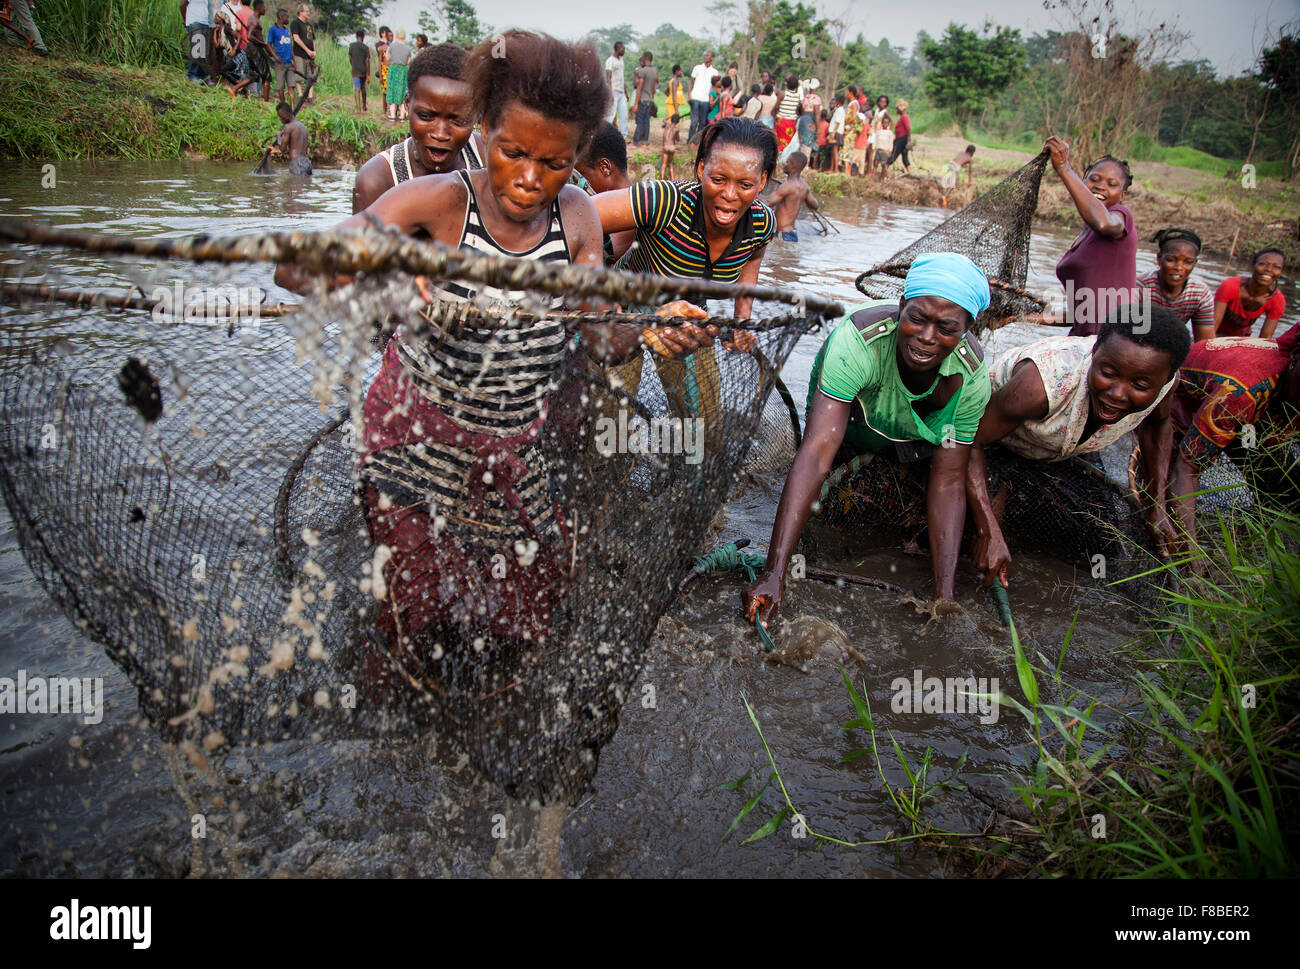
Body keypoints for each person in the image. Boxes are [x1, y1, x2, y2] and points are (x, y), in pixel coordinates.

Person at [277, 31, 715, 671]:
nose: (531, 179)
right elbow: (294, 270)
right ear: (484, 133)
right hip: (413, 436)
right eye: (512, 153)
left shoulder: (579, 219)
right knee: (412, 614)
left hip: (512, 446)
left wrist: (654, 326)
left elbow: (597, 335)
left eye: (556, 163)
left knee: (530, 617)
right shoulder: (438, 203)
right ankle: (377, 719)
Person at [744, 252, 994, 620]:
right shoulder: (858, 343)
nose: (926, 337)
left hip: (912, 436)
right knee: (833, 510)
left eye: (946, 328)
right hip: (855, 424)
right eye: (917, 318)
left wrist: (944, 597)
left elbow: (950, 478)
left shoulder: (972, 378)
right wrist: (773, 574)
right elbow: (816, 454)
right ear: (902, 305)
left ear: (968, 328)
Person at [966, 305, 1191, 587]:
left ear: (1165, 379)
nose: (1117, 394)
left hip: (1061, 450)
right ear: (1095, 352)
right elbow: (967, 441)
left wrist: (1156, 507)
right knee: (974, 542)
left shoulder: (1166, 384)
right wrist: (988, 529)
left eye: (1140, 385)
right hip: (993, 441)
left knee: (1101, 546)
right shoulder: (1040, 384)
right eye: (1108, 373)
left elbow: (1158, 428)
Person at [593, 117, 777, 444]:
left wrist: (742, 319)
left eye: (745, 185)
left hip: (689, 313)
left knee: (704, 428)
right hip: (627, 308)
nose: (730, 196)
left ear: (762, 181)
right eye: (718, 179)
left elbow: (754, 256)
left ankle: (688, 482)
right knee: (611, 426)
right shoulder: (664, 201)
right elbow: (576, 218)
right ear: (701, 168)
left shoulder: (762, 223)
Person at [1158, 323, 1300, 555]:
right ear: (1294, 358)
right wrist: (1191, 552)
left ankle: (1266, 540)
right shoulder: (1242, 393)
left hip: (1255, 413)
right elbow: (1188, 468)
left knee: (1282, 485)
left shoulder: (1289, 386)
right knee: (1164, 493)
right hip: (1181, 404)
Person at [352, 43, 486, 213]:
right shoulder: (377, 180)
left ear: (475, 115)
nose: (440, 134)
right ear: (407, 104)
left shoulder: (486, 159)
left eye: (457, 121)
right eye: (426, 116)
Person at [1044, 137, 1138, 337]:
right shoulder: (1087, 235)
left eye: (1112, 184)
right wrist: (1023, 317)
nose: (1100, 186)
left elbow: (1103, 222)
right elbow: (1082, 313)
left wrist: (1064, 169)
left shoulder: (1121, 218)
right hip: (1085, 337)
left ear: (1123, 195)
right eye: (1094, 179)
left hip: (1115, 340)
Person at [576, 123, 635, 265]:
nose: (576, 184)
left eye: (581, 175)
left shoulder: (628, 215)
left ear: (605, 168)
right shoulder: (633, 199)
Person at [1139, 228, 1215, 340]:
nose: (1179, 268)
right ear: (1159, 258)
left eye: (1188, 262)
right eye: (1171, 260)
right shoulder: (1141, 287)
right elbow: (1130, 335)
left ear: (1195, 263)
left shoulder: (1200, 294)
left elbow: (1205, 343)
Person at [1213, 248, 1287, 339]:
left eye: (1276, 267)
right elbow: (1213, 325)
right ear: (1253, 266)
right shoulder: (1230, 286)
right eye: (1262, 264)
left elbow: (1266, 337)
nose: (1268, 269)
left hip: (1242, 338)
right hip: (1217, 333)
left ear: (1281, 272)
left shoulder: (1277, 299)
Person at [767, 153, 818, 242]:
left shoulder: (787, 186)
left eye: (787, 162)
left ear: (793, 166)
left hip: (781, 234)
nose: (784, 164)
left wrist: (755, 194)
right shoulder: (804, 186)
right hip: (792, 234)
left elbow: (768, 202)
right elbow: (815, 205)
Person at [268, 101, 311, 175]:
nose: (280, 119)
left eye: (281, 116)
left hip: (297, 164)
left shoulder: (288, 127)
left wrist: (278, 136)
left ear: (287, 115)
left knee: (295, 184)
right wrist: (276, 150)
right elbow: (297, 148)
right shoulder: (303, 127)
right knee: (304, 183)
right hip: (307, 163)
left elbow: (282, 149)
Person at [246, 1, 275, 101]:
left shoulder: (255, 19)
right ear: (258, 7)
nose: (265, 9)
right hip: (255, 49)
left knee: (254, 74)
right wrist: (263, 45)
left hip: (253, 49)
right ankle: (266, 102)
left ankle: (236, 89)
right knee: (266, 77)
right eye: (264, 7)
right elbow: (249, 36)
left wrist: (270, 52)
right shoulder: (255, 20)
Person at [688, 51, 719, 143]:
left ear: (712, 58)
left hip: (706, 100)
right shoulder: (697, 68)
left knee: (702, 123)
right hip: (695, 98)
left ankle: (697, 142)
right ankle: (690, 141)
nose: (705, 57)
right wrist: (689, 95)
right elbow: (691, 82)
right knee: (694, 122)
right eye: (705, 55)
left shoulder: (714, 72)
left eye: (707, 55)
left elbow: (715, 86)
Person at [631, 50, 658, 147]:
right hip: (650, 100)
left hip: (642, 99)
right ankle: (644, 141)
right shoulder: (655, 70)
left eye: (642, 57)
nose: (641, 59)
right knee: (646, 121)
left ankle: (635, 141)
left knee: (640, 121)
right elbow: (654, 87)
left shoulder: (643, 71)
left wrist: (636, 103)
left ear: (646, 58)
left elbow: (639, 88)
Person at [290, 2, 316, 101]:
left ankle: (310, 95)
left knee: (311, 75)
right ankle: (300, 94)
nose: (308, 13)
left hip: (310, 56)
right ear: (300, 12)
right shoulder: (295, 23)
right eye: (306, 11)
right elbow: (296, 38)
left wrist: (314, 51)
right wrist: (307, 50)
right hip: (299, 54)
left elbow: (313, 39)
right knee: (299, 74)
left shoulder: (309, 25)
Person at [267, 7, 293, 101]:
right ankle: (283, 105)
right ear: (281, 17)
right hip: (280, 63)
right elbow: (268, 44)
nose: (288, 19)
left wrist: (293, 60)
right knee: (280, 87)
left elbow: (290, 46)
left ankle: (291, 106)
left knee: (291, 85)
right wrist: (275, 56)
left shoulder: (287, 30)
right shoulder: (273, 29)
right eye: (287, 17)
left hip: (289, 62)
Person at [182, 1, 212, 82]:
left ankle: (204, 76)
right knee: (197, 48)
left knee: (205, 51)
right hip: (194, 20)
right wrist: (185, 18)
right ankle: (191, 75)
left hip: (206, 21)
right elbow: (182, 5)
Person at [386, 29, 412, 122]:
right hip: (403, 70)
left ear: (396, 36)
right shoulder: (408, 48)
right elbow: (409, 61)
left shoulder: (392, 46)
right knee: (402, 92)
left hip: (394, 69)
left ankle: (392, 115)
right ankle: (402, 116)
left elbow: (387, 58)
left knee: (392, 91)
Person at [605, 41, 628, 139]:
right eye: (622, 48)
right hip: (613, 91)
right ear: (617, 49)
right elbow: (608, 78)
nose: (624, 50)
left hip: (621, 92)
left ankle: (624, 137)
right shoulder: (610, 60)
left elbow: (622, 77)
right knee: (611, 115)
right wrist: (610, 93)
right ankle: (606, 135)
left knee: (624, 115)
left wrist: (626, 92)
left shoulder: (621, 60)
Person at [774, 74, 801, 154]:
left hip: (781, 121)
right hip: (791, 122)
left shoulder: (782, 94)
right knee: (788, 141)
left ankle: (778, 156)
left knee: (779, 140)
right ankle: (785, 157)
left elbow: (776, 107)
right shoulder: (798, 96)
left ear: (787, 84)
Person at [348, 28, 370, 113]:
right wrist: (368, 74)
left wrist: (353, 64)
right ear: (363, 37)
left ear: (356, 37)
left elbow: (350, 58)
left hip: (355, 69)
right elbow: (367, 61)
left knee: (357, 88)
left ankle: (358, 108)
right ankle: (364, 105)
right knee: (363, 88)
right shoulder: (365, 47)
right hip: (363, 70)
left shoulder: (351, 46)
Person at [887, 98, 911, 174]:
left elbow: (908, 129)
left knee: (893, 155)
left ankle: (885, 169)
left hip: (902, 139)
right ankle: (909, 172)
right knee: (904, 157)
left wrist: (909, 141)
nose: (896, 110)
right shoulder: (902, 117)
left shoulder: (904, 117)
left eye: (897, 108)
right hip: (900, 139)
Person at [827, 94, 845, 173]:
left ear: (838, 102)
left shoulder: (839, 110)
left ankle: (836, 169)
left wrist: (833, 133)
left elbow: (837, 123)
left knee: (835, 152)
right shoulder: (841, 110)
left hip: (836, 133)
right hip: (837, 132)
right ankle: (832, 168)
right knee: (833, 151)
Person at [873, 112, 893, 179]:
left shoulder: (889, 133)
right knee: (875, 163)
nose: (885, 124)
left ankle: (882, 177)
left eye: (886, 123)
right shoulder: (879, 132)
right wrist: (874, 147)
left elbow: (891, 142)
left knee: (883, 165)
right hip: (878, 149)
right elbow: (875, 140)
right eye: (884, 122)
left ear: (888, 124)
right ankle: (873, 176)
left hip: (885, 151)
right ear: (882, 123)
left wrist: (890, 151)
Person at [661, 112, 680, 180]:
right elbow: (678, 139)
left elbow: (664, 120)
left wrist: (669, 116)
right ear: (677, 121)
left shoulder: (667, 125)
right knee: (670, 164)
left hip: (665, 146)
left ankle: (662, 180)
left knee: (663, 165)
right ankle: (673, 180)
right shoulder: (676, 129)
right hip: (672, 147)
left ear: (671, 119)